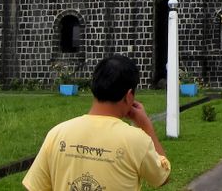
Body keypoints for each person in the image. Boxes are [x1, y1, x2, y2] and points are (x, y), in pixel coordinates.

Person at [23, 55, 171, 190]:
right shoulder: (137, 141)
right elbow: (162, 177)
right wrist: (145, 125)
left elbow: (36, 186)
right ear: (128, 95)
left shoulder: (56, 134)